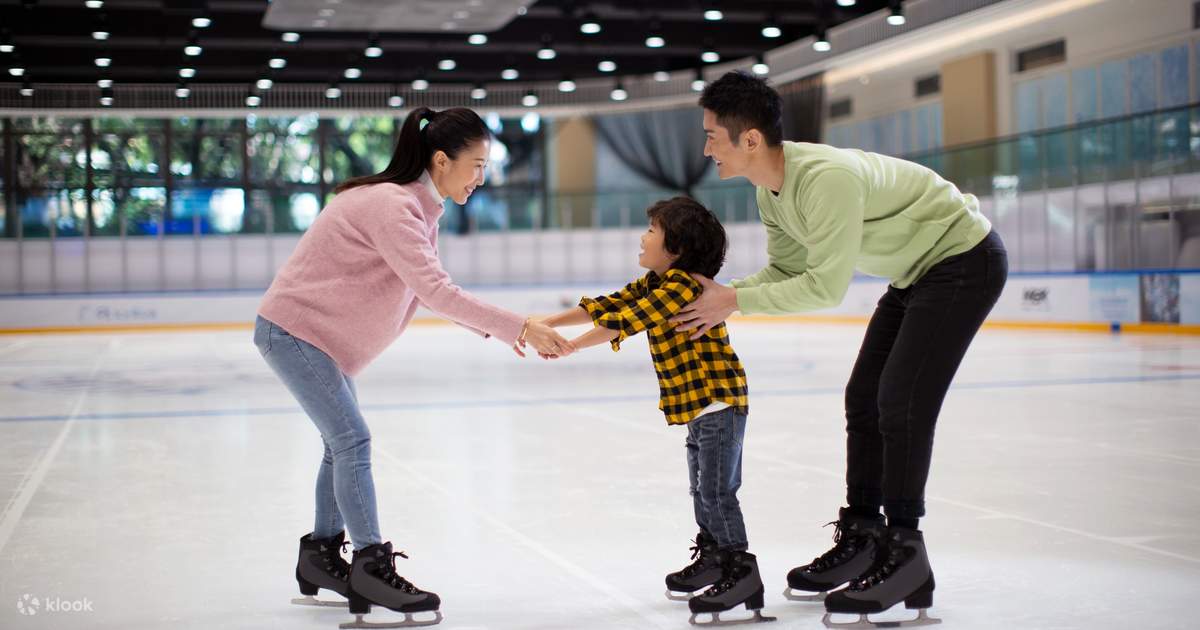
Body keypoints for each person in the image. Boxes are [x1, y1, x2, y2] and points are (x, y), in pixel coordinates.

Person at [673, 71, 1008, 627]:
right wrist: (725, 298)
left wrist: (733, 301)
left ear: (750, 139)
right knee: (864, 398)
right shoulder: (770, 190)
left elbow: (826, 288)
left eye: (712, 135)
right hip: (914, 275)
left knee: (900, 400)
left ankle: (906, 551)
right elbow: (788, 271)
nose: (705, 147)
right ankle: (864, 534)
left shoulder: (824, 179)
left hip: (962, 262)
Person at [253, 106, 574, 628]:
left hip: (318, 340)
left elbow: (426, 291)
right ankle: (370, 564)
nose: (481, 177)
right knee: (351, 441)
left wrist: (501, 331)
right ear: (441, 160)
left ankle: (319, 555)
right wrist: (518, 327)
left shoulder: (418, 208)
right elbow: (436, 290)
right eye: (476, 165)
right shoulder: (392, 206)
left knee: (342, 444)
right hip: (296, 332)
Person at [538, 197, 773, 626]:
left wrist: (570, 345)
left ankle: (741, 570)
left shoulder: (684, 287)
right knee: (702, 491)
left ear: (676, 248)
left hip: (718, 401)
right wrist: (546, 324)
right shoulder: (654, 282)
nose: (643, 237)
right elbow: (610, 305)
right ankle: (715, 556)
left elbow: (628, 320)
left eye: (652, 231)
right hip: (699, 409)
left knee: (717, 492)